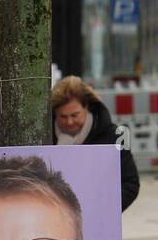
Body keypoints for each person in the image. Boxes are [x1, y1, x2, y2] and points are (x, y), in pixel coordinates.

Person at [50, 76, 139, 211]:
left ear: (86, 107)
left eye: (75, 115)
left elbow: (130, 183)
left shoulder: (113, 136)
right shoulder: (45, 137)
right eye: (63, 116)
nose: (69, 122)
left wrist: (104, 210)